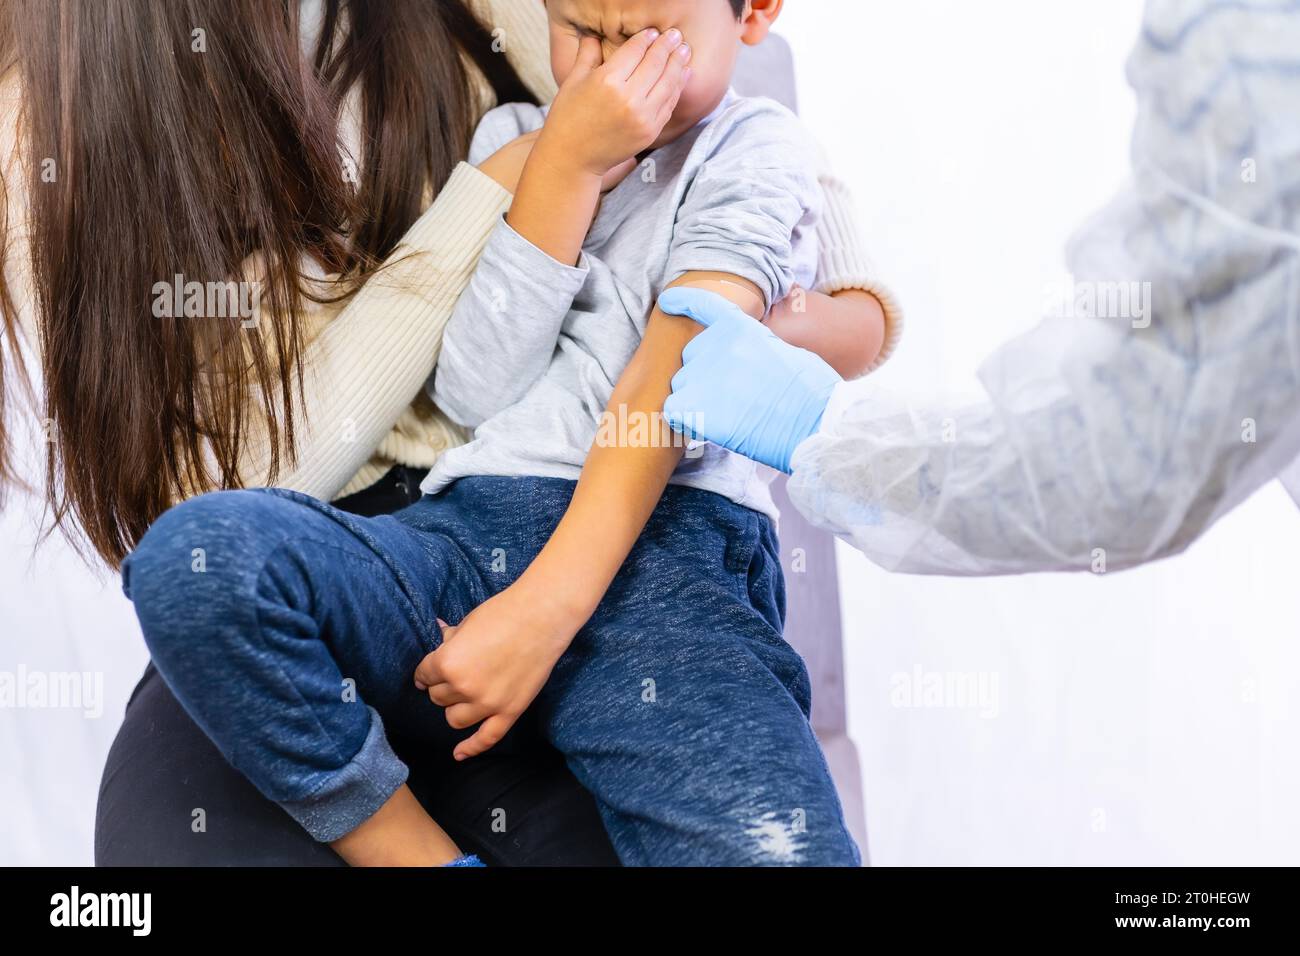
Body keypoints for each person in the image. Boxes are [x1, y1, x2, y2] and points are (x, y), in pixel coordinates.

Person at [0, 1, 893, 865]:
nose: (611, 62)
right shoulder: (63, 82)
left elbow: (778, 324)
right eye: (582, 30)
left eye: (634, 36)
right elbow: (457, 395)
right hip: (421, 531)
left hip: (653, 539)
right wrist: (535, 177)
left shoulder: (726, 123)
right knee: (198, 570)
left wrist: (748, 325)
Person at [660, 0, 1300, 576]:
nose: (623, 65)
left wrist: (812, 418)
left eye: (655, 33)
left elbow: (1132, 459)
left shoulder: (769, 143)